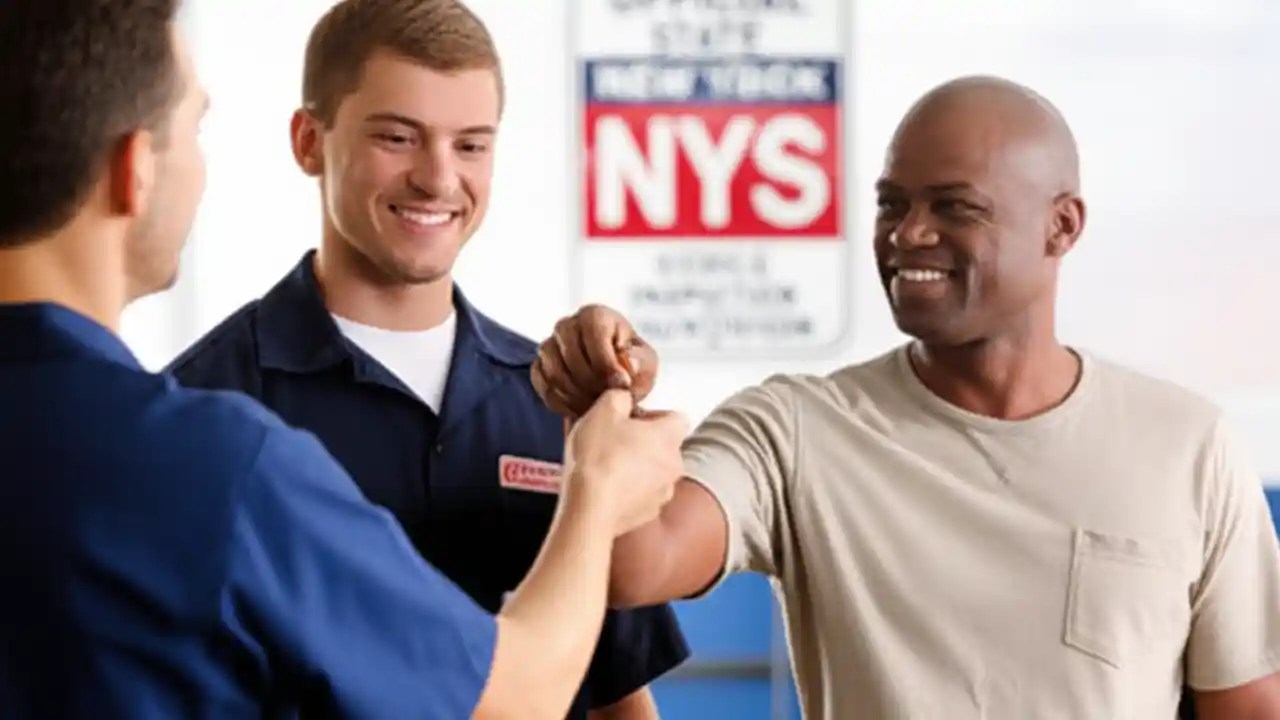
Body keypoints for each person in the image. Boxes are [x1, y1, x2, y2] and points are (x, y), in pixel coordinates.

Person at [0, 2, 688, 718]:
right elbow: (509, 696)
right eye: (397, 137)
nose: (438, 177)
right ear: (135, 168)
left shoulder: (556, 403)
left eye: (471, 145)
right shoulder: (211, 444)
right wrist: (599, 493)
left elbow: (617, 692)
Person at [531, 75, 1280, 719]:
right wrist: (600, 398)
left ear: (1062, 227)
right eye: (893, 205)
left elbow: (1248, 707)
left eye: (955, 207)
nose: (909, 234)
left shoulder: (1187, 444)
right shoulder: (794, 431)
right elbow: (634, 565)